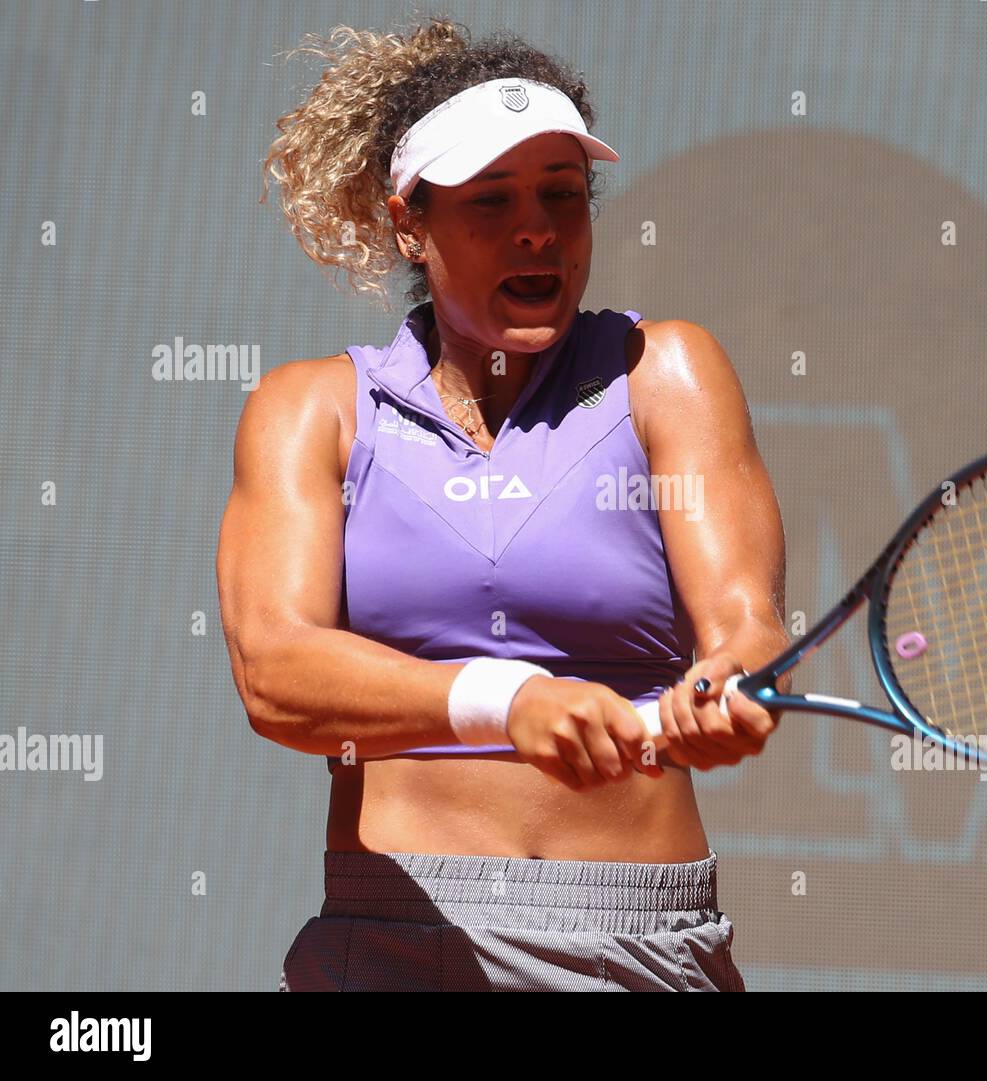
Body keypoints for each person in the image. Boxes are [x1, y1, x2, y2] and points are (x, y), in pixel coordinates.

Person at [217, 17, 789, 991]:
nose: (537, 231)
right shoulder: (309, 410)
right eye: (491, 202)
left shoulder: (666, 372)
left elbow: (745, 624)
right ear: (409, 223)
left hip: (638, 943)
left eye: (562, 198)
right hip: (393, 939)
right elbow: (276, 672)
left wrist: (728, 685)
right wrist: (506, 699)